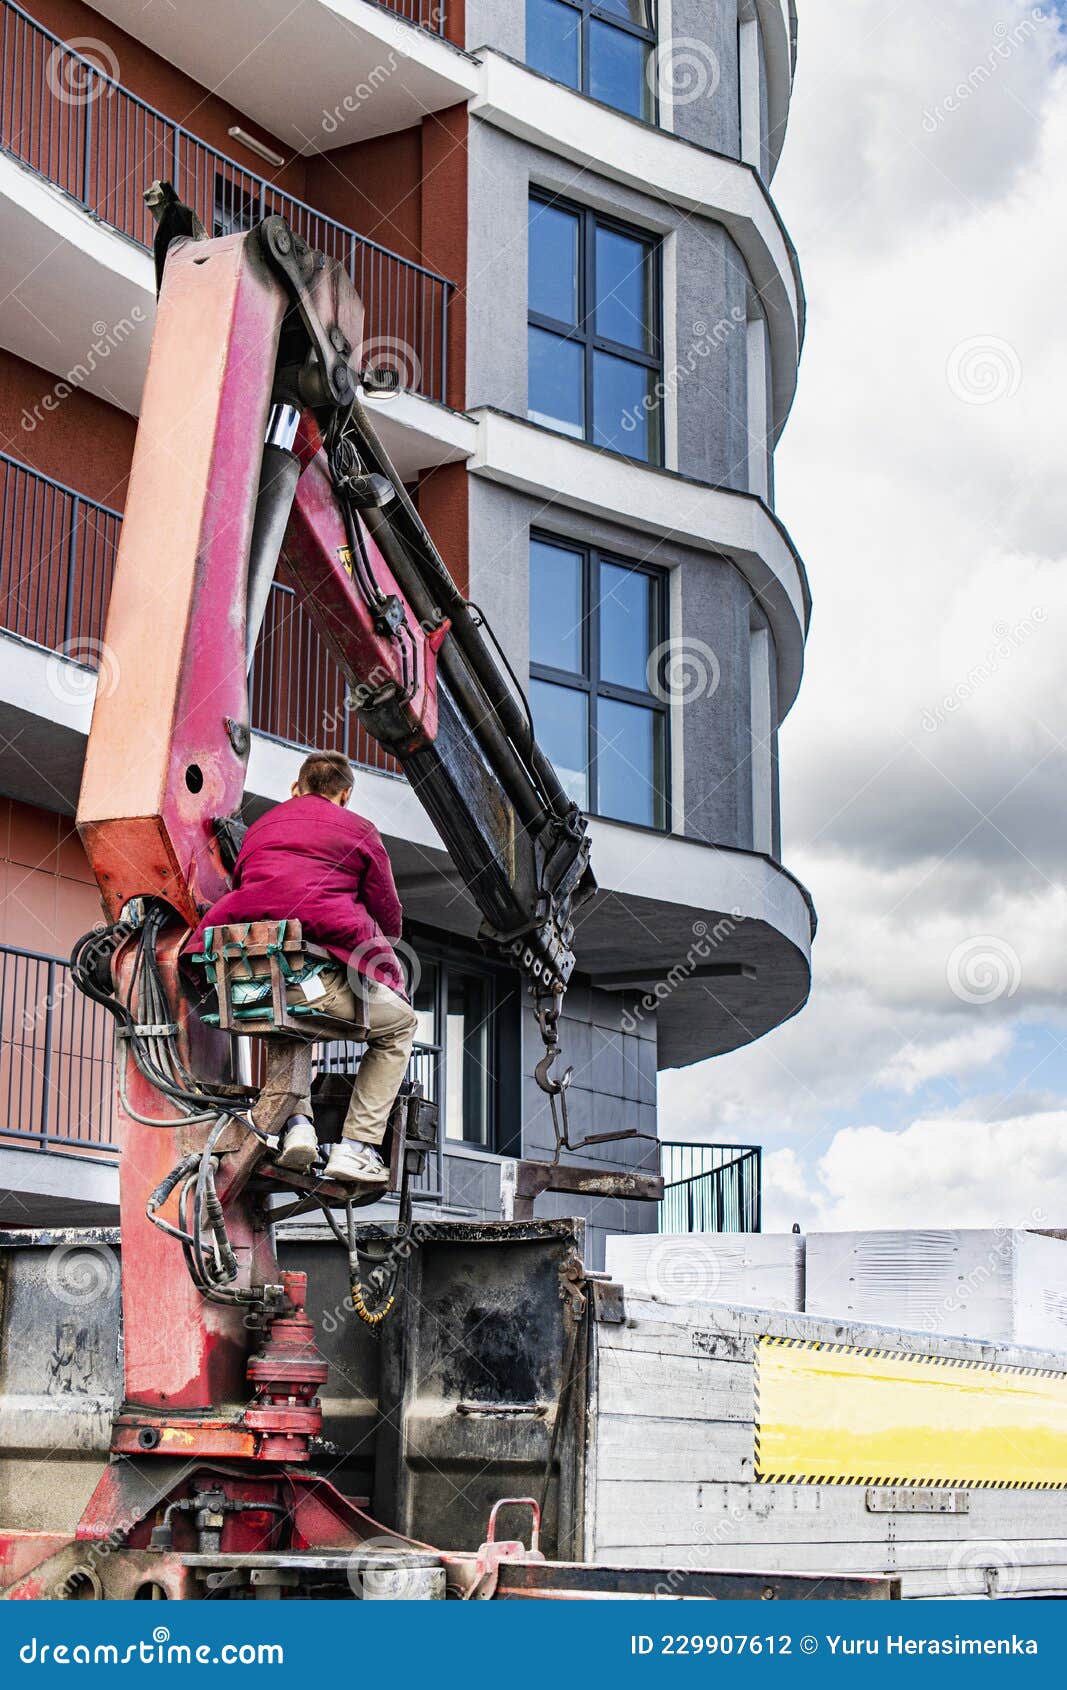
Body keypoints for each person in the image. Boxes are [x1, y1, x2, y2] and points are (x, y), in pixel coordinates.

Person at [186, 750, 418, 1188]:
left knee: (285, 1010)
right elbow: (388, 920)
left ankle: (298, 1127)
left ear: (296, 788)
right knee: (400, 1026)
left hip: (248, 985)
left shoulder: (259, 829)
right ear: (345, 794)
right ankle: (358, 1147)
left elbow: (247, 890)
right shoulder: (360, 830)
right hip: (314, 986)